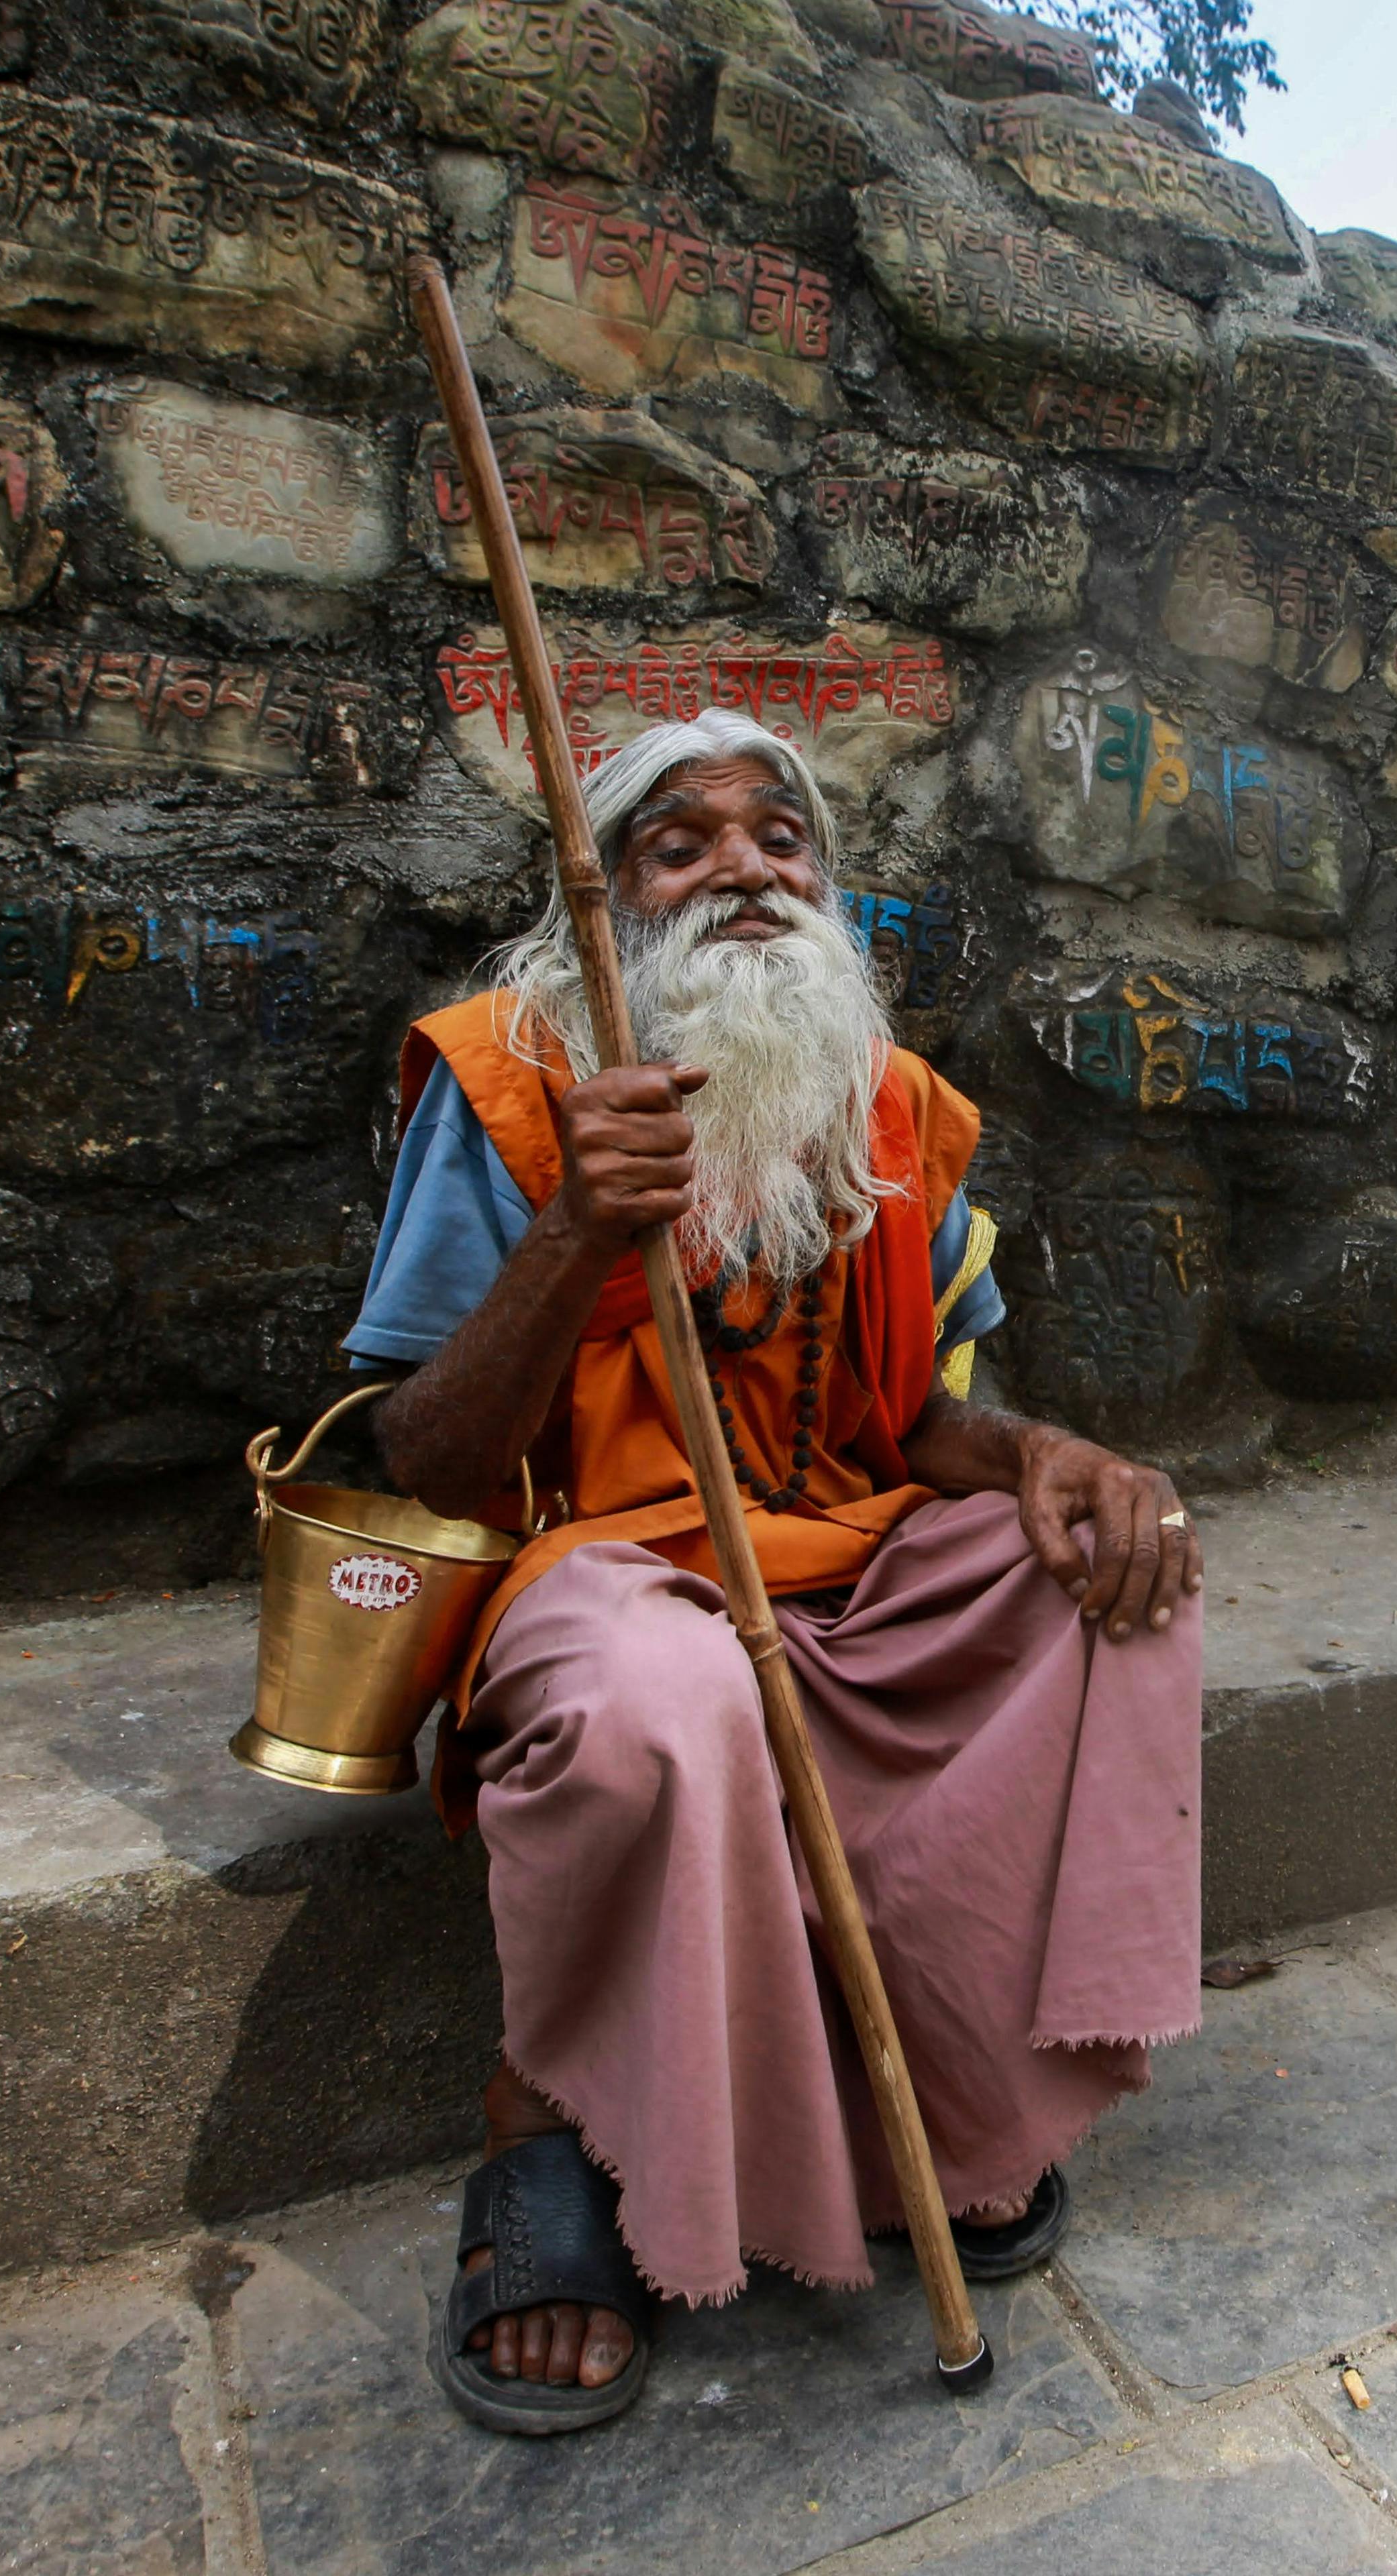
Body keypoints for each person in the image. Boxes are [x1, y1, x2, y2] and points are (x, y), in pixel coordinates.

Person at [344, 708, 1205, 2436]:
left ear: (826, 886)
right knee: (665, 1698)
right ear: (603, 907)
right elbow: (418, 1460)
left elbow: (918, 1423)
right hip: (600, 1579)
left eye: (780, 839)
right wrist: (583, 1223)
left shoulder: (886, 1102)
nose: (744, 867)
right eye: (682, 845)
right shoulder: (514, 1083)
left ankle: (949, 2095)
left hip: (846, 1562)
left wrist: (1045, 1459)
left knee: (1119, 1576)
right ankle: (551, 2121)